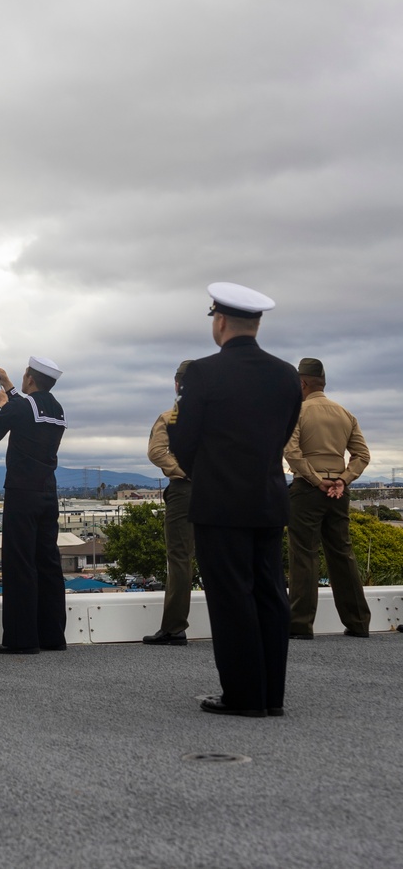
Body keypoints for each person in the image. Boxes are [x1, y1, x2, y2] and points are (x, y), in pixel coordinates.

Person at [166, 283, 301, 718]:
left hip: (219, 502)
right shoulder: (285, 374)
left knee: (231, 598)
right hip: (267, 498)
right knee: (269, 593)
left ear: (219, 322)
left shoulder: (203, 373)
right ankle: (271, 696)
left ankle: (243, 695)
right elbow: (282, 435)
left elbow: (184, 444)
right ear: (256, 324)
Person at [284, 357, 371, 640]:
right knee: (342, 554)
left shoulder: (297, 411)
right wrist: (342, 481)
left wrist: (316, 480)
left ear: (302, 383)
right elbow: (362, 455)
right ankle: (358, 622)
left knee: (304, 555)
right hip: (338, 492)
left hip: (308, 490)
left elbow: (292, 452)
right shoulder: (344, 414)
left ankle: (300, 624)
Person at [0, 356, 67, 654]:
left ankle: (21, 639)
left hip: (22, 492)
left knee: (20, 563)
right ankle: (53, 636)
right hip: (48, 491)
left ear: (30, 379)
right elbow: (28, 411)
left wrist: (0, 404)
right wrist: (9, 386)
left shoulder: (20, 407)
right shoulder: (56, 409)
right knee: (47, 562)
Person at [143, 359, 196, 646]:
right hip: (220, 491)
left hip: (185, 492)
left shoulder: (171, 417)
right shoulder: (219, 417)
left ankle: (174, 627)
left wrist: (182, 469)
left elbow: (156, 452)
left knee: (180, 558)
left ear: (177, 384)